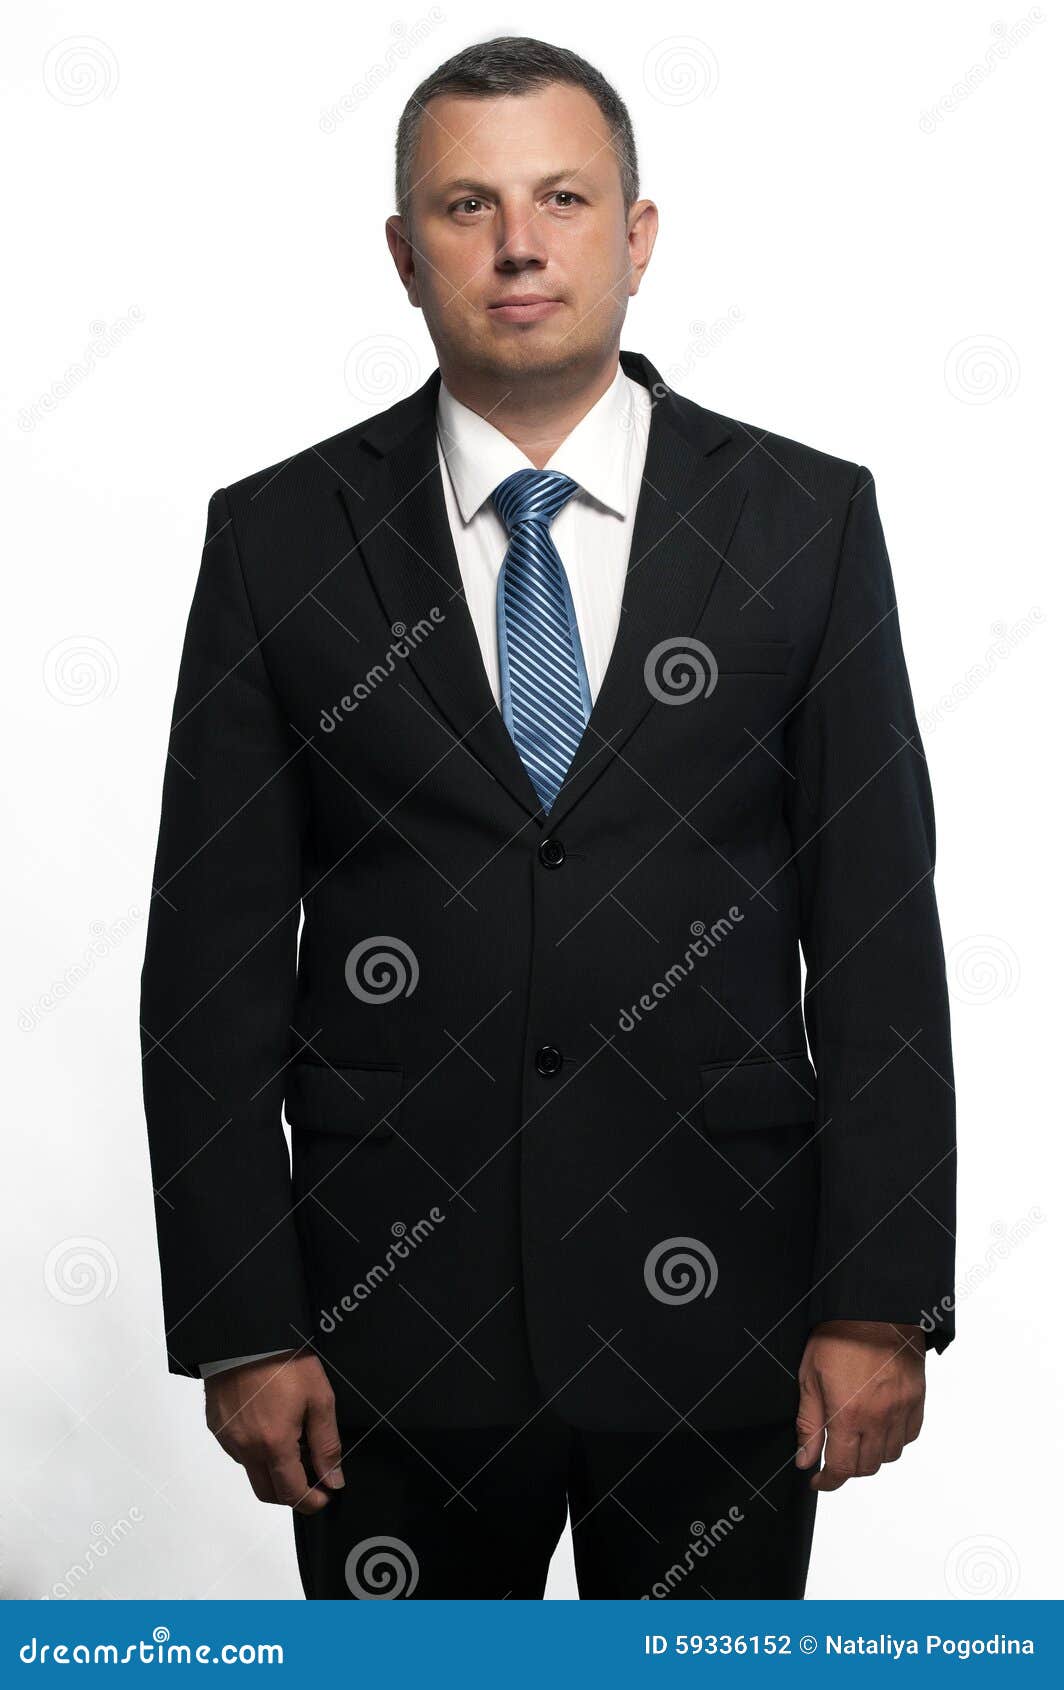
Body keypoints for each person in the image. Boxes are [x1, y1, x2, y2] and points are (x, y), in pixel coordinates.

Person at [140, 36, 956, 1600]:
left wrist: (882, 1296)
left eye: (564, 198)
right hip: (386, 1327)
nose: (519, 243)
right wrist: (244, 1320)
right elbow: (212, 966)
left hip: (731, 1317)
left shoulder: (806, 520)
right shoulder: (275, 539)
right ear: (406, 252)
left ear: (636, 234)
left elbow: (876, 935)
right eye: (467, 204)